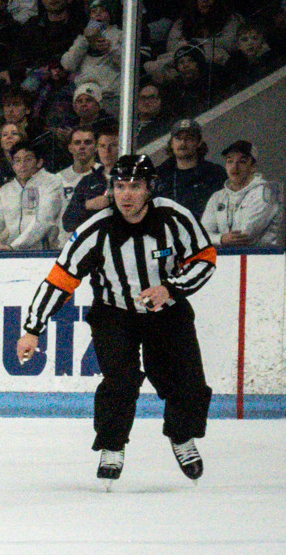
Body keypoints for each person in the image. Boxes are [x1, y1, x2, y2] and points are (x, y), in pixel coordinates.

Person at [19, 155, 216, 484]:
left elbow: (205, 259)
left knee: (189, 383)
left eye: (135, 187)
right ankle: (111, 446)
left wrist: (171, 289)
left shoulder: (174, 217)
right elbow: (59, 280)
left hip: (167, 314)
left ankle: (181, 436)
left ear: (150, 188)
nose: (126, 195)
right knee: (119, 382)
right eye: (120, 186)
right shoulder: (95, 230)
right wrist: (31, 329)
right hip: (114, 316)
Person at [201, 139, 283, 247]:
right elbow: (201, 236)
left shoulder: (265, 192)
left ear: (253, 167)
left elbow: (244, 235)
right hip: (225, 259)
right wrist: (221, 239)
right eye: (230, 161)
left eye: (242, 161)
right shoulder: (218, 197)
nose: (235, 167)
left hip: (262, 259)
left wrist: (217, 239)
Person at [0, 144, 59, 250]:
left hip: (46, 255)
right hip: (12, 254)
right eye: (17, 160)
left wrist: (14, 246)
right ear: (13, 165)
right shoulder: (6, 190)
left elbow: (44, 220)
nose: (22, 165)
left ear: (39, 163)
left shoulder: (52, 182)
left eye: (28, 159)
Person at [153, 119, 227, 220]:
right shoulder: (160, 175)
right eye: (178, 138)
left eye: (189, 138)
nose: (183, 143)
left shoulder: (215, 174)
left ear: (199, 143)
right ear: (171, 143)